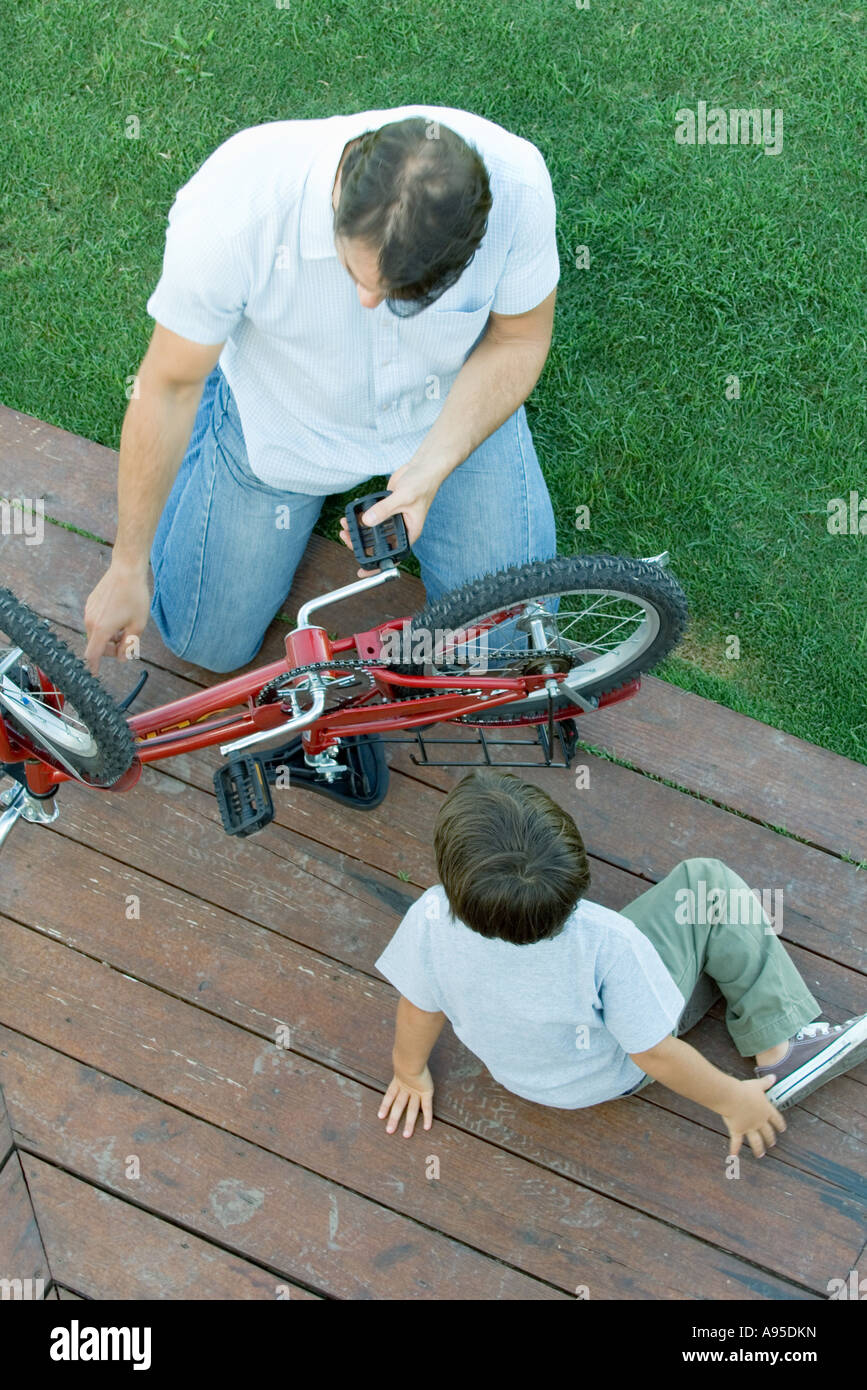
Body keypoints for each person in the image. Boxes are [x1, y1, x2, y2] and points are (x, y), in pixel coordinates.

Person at [83, 105, 560, 675]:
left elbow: (516, 340)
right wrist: (127, 564)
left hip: (444, 414)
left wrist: (430, 468)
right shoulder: (234, 209)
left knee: (504, 648)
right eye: (357, 275)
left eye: (401, 296)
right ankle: (223, 407)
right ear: (340, 189)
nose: (367, 303)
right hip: (283, 422)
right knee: (202, 641)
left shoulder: (519, 187)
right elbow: (166, 386)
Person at [375, 770, 867, 1158]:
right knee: (707, 885)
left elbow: (420, 1007)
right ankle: (782, 1050)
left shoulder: (431, 917)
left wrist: (408, 1073)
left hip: (527, 1078)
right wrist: (732, 1100)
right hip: (613, 1070)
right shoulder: (608, 941)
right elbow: (653, 1054)